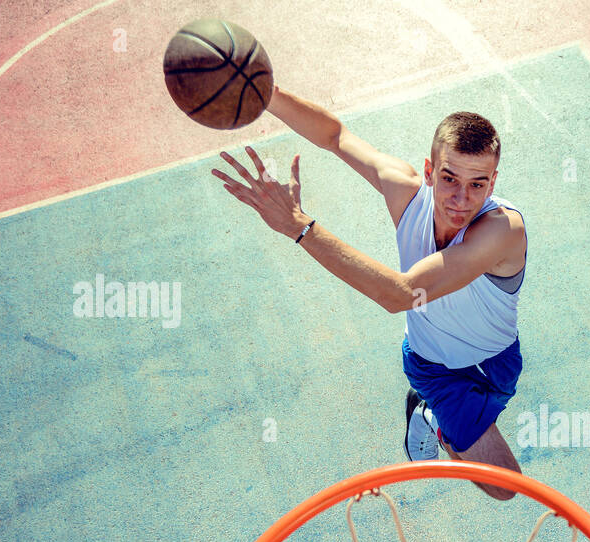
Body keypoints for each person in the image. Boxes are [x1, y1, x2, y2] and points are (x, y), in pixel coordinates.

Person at [212, 86, 527, 501]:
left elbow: (401, 294)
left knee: (484, 446)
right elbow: (335, 135)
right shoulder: (406, 190)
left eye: (477, 184)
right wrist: (262, 93)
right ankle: (434, 414)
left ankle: (436, 420)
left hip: (498, 361)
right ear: (430, 170)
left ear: (493, 183)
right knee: (505, 488)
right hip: (435, 368)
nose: (460, 198)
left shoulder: (503, 231)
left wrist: (298, 226)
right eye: (449, 178)